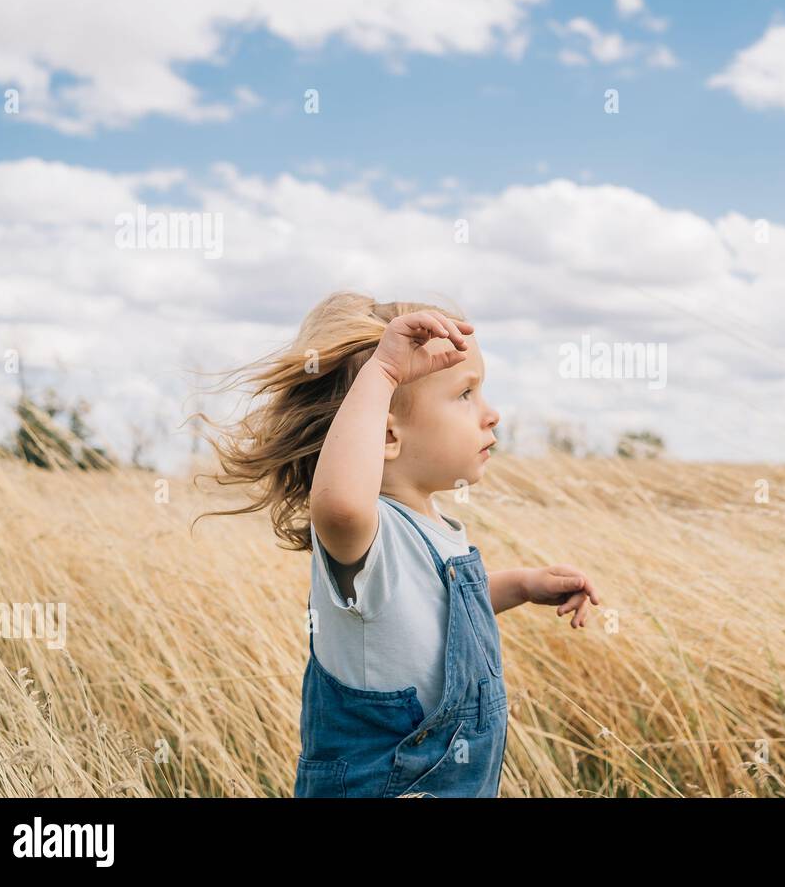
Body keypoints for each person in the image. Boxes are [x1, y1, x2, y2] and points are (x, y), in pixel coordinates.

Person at [193, 290, 600, 796]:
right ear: (386, 437)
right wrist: (384, 372)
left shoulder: (438, 528)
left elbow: (431, 612)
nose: (491, 414)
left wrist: (521, 585)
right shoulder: (365, 531)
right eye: (465, 394)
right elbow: (339, 503)